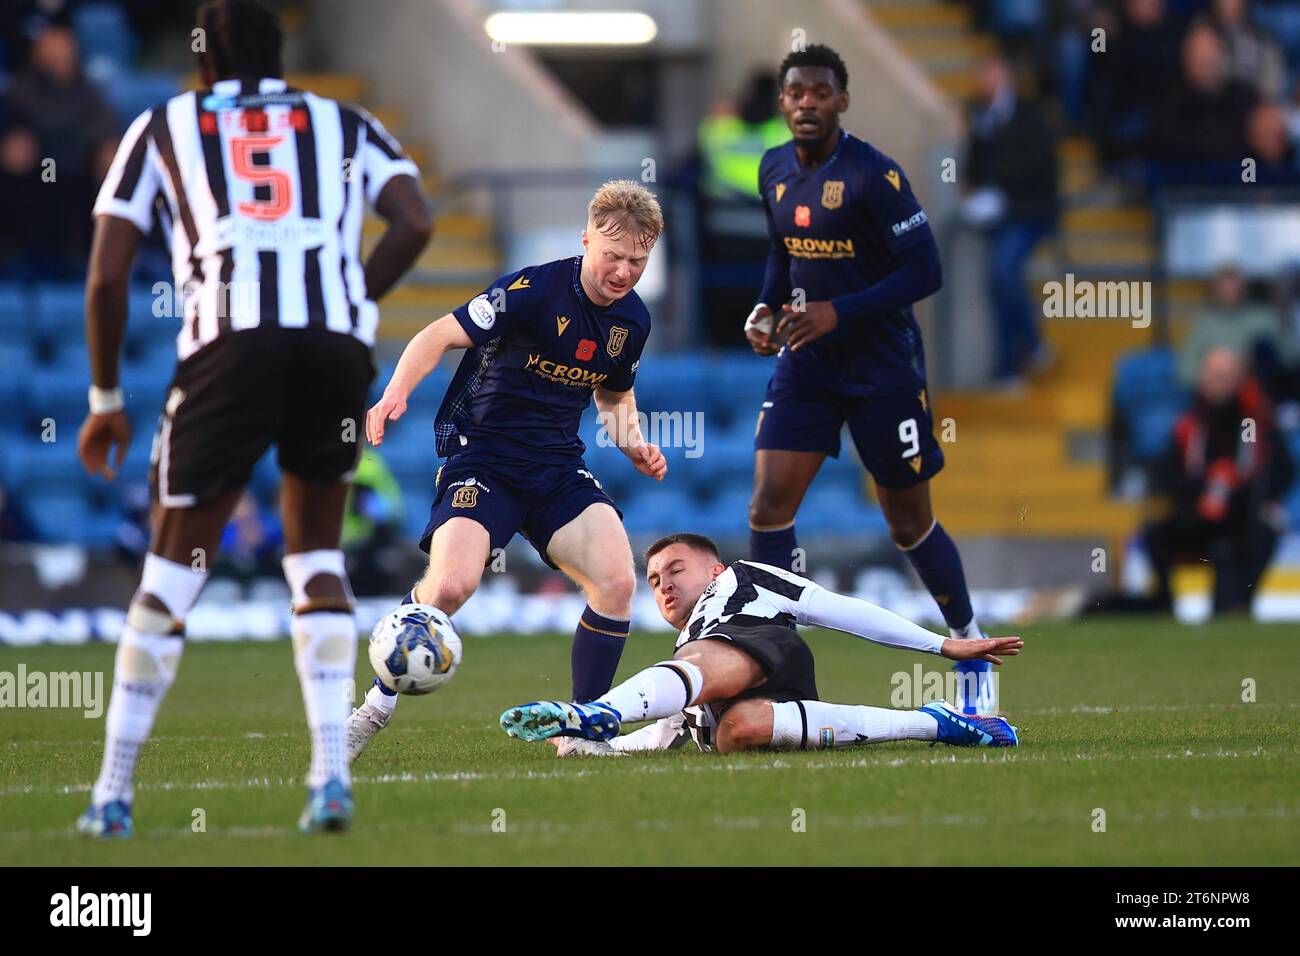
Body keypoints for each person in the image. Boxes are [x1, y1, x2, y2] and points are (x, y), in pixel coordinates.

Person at [74, 0, 432, 837]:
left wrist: (102, 402)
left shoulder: (164, 125)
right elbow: (415, 218)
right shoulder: (342, 120)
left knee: (170, 575)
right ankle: (330, 781)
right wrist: (351, 301)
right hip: (332, 351)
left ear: (203, 60)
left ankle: (112, 796)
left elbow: (104, 275)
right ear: (280, 55)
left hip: (227, 348)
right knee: (315, 556)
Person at [347, 181, 668, 760]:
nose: (623, 271)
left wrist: (634, 446)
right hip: (483, 458)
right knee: (450, 586)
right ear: (587, 238)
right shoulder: (533, 289)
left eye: (637, 262)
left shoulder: (633, 323)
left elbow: (614, 400)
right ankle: (373, 707)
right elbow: (438, 333)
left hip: (555, 468)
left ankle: (580, 731)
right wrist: (394, 393)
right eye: (613, 256)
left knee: (618, 582)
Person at [741, 44, 996, 715]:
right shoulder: (771, 169)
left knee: (908, 522)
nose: (806, 104)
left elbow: (926, 272)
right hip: (807, 363)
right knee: (769, 506)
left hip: (882, 367)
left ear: (841, 101)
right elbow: (782, 249)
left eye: (820, 92)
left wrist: (839, 311)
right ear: (782, 102)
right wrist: (768, 307)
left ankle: (969, 640)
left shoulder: (873, 176)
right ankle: (776, 659)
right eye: (795, 93)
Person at [500, 533, 1022, 753]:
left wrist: (937, 646)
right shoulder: (689, 642)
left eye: (675, 568)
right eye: (654, 580)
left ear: (715, 567)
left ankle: (596, 710)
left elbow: (840, 610)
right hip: (737, 689)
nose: (663, 583)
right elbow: (664, 736)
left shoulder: (747, 581)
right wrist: (593, 752)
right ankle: (934, 722)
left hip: (765, 645)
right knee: (733, 733)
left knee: (695, 669)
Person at [1141, 348, 1294, 615]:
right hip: (1200, 514)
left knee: (1261, 531)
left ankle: (1236, 605)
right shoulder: (1189, 425)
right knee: (1156, 533)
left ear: (1239, 380)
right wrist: (1203, 489)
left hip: (1241, 518)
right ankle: (1164, 604)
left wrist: (1237, 493)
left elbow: (1282, 471)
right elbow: (1166, 473)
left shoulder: (1258, 424)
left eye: (1225, 376)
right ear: (1202, 379)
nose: (1218, 383)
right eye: (1213, 375)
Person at [964, 55, 1059, 384]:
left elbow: (1040, 166)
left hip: (1029, 211)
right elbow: (974, 165)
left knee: (1003, 271)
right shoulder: (978, 115)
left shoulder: (1031, 115)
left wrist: (1001, 188)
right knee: (996, 282)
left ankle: (1032, 344)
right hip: (997, 214)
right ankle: (1007, 367)